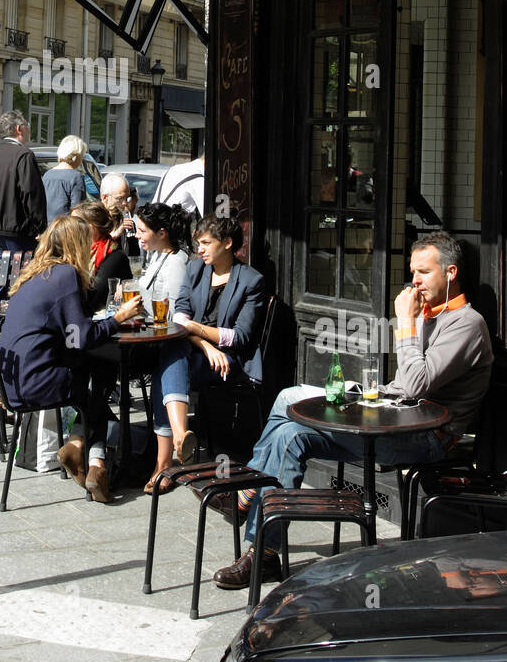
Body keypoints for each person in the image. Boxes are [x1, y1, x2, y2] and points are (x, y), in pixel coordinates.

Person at [211, 231, 494, 592]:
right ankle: (264, 552)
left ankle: (247, 495)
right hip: (391, 417)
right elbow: (404, 386)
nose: (414, 282)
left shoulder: (467, 324)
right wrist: (363, 394)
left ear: (450, 273)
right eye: (412, 272)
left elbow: (415, 384)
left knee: (287, 398)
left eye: (423, 272)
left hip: (426, 439)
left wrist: (404, 324)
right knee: (288, 434)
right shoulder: (429, 315)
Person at [0, 215, 142, 503]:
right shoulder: (65, 274)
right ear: (76, 244)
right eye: (86, 241)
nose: (90, 246)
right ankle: (84, 451)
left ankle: (92, 459)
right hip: (36, 383)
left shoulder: (37, 272)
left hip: (13, 381)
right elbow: (83, 337)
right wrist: (120, 317)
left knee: (96, 385)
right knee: (101, 376)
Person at [144, 210, 266, 494]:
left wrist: (198, 333)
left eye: (206, 243)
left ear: (226, 243)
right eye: (198, 242)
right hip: (200, 351)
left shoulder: (251, 281)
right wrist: (205, 343)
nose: (198, 249)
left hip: (229, 360)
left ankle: (164, 464)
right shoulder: (196, 270)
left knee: (167, 364)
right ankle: (178, 437)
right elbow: (179, 319)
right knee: (172, 355)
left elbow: (239, 336)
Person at [0, 110, 46, 305]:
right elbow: (31, 193)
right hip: (17, 232)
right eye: (27, 126)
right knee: (19, 282)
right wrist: (40, 227)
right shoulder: (23, 155)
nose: (29, 130)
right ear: (18, 128)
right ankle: (15, 327)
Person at [70, 201, 131, 311]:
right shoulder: (76, 251)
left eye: (74, 223)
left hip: (103, 318)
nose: (69, 227)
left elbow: (93, 299)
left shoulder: (113, 255)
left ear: (91, 228)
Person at [135, 202, 192, 315]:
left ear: (161, 234)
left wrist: (136, 292)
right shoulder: (157, 254)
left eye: (142, 231)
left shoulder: (176, 263)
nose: (137, 235)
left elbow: (173, 315)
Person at [42, 135, 88, 221]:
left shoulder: (47, 175)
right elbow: (77, 211)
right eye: (81, 156)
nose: (81, 160)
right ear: (75, 156)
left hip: (48, 229)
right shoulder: (75, 176)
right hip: (66, 230)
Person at [153, 152, 205, 217]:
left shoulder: (173, 169)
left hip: (153, 221)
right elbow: (208, 218)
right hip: (168, 224)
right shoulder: (198, 179)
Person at [100, 171, 139, 254]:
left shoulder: (126, 222)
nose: (125, 203)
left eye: (127, 198)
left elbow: (134, 255)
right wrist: (114, 235)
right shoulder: (95, 221)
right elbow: (93, 254)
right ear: (105, 198)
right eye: (120, 198)